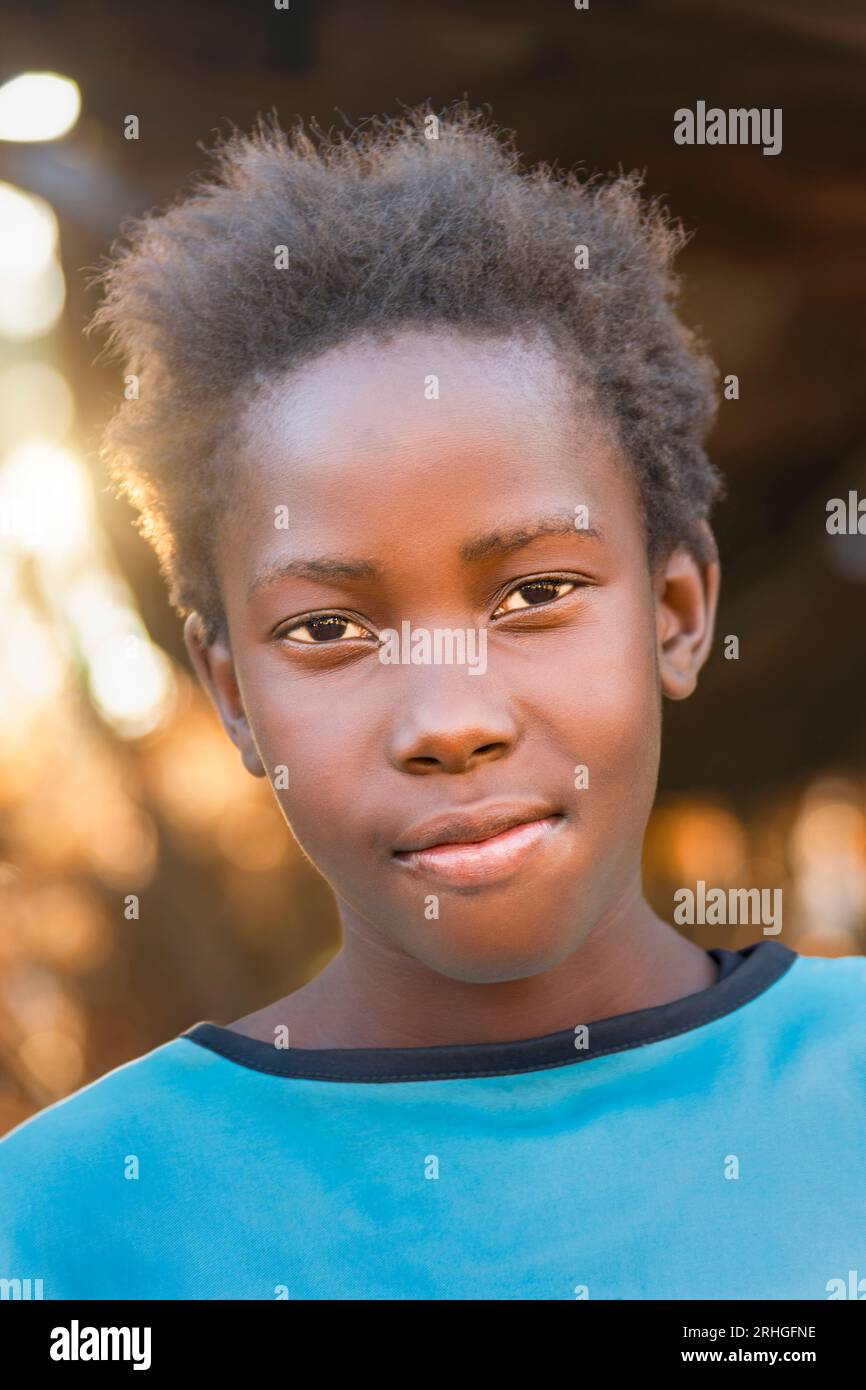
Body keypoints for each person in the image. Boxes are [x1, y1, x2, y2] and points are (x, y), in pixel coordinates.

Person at [1, 104, 863, 1301]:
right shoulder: (70, 1222)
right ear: (233, 696)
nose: (449, 721)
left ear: (674, 611)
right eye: (327, 629)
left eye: (535, 592)